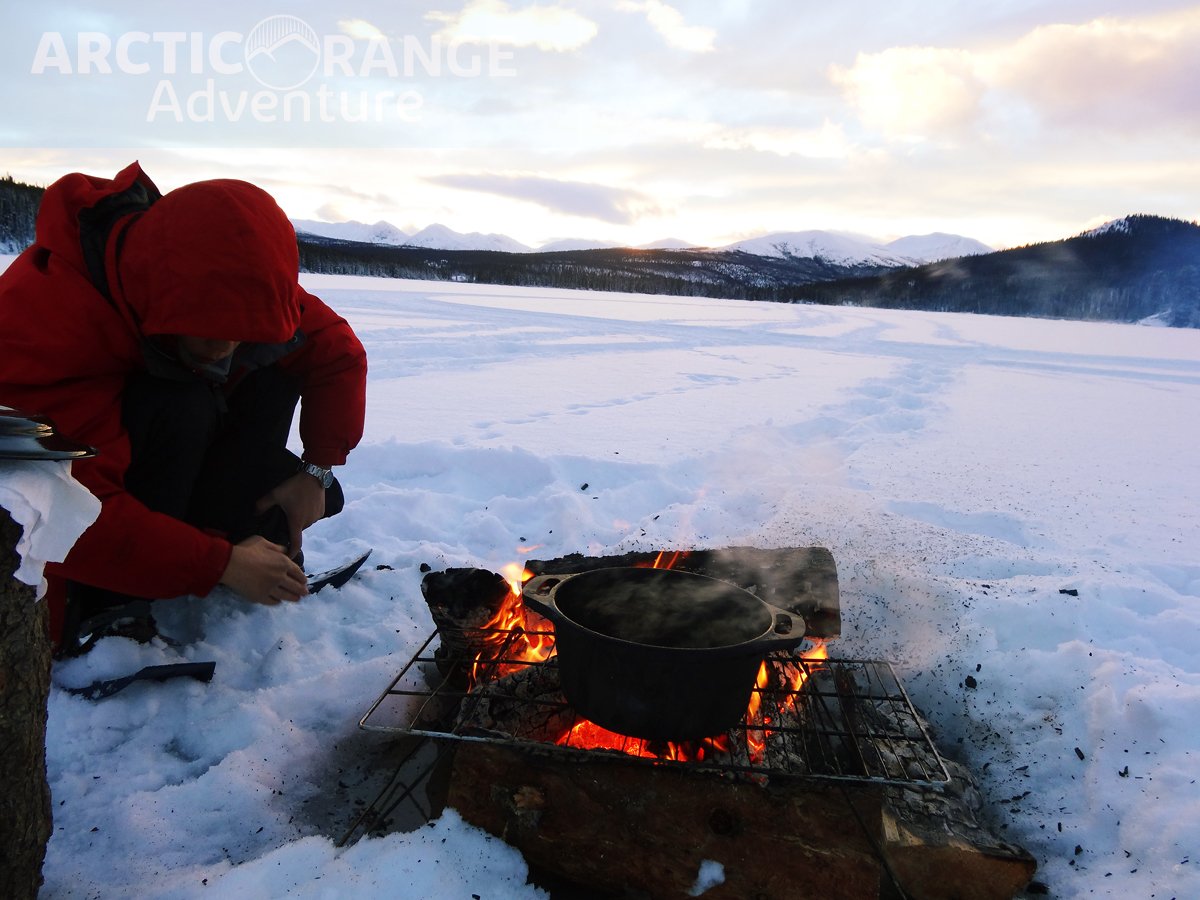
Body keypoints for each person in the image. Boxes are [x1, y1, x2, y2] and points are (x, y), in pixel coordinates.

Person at [0, 161, 367, 654]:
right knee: (179, 401)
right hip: (73, 534)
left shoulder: (225, 271)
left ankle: (248, 540)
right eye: (208, 329)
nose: (224, 345)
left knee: (270, 368)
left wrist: (317, 470)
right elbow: (64, 513)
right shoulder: (46, 323)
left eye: (236, 330)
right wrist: (217, 563)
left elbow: (335, 351)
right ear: (160, 289)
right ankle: (110, 607)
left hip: (156, 467)